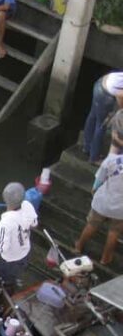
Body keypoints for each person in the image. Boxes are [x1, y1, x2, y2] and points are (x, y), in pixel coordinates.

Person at [75, 111, 123, 265]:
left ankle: (79, 246)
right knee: (114, 232)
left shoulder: (111, 160)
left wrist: (94, 189)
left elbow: (99, 179)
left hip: (103, 201)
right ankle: (105, 257)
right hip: (120, 208)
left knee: (92, 224)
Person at [82, 72, 123, 164]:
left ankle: (87, 146)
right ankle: (94, 157)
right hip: (105, 95)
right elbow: (120, 96)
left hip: (100, 84)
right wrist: (120, 110)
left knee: (92, 116)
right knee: (101, 125)